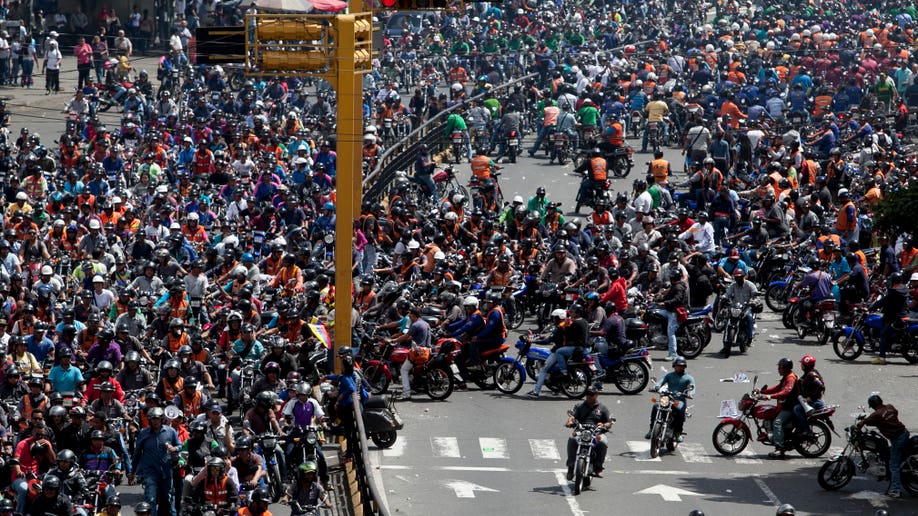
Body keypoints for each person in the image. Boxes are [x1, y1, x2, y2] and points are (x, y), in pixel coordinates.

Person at [130, 406, 181, 516]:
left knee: (168, 499)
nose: (155, 421)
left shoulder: (170, 432)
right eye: (153, 419)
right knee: (151, 499)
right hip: (150, 472)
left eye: (157, 419)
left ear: (162, 419)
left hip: (166, 471)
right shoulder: (143, 433)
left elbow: (179, 445)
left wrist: (174, 448)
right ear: (149, 420)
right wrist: (132, 472)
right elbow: (137, 454)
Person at [860, 394, 909, 498]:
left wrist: (859, 424)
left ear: (872, 405)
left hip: (898, 439)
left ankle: (896, 490)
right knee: (888, 453)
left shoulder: (876, 414)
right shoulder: (890, 407)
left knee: (893, 465)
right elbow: (894, 414)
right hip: (903, 433)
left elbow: (864, 422)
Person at [564, 385, 613, 480]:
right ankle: (571, 467)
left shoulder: (602, 408)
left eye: (591, 394)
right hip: (581, 432)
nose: (589, 396)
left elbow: (609, 422)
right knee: (572, 439)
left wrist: (604, 425)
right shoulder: (579, 406)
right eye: (587, 394)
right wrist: (570, 422)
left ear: (596, 395)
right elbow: (572, 416)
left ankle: (598, 468)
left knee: (602, 442)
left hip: (596, 434)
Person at [645, 357, 694, 442]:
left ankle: (678, 433)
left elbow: (692, 387)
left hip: (678, 401)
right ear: (674, 366)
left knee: (679, 410)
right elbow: (661, 382)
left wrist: (690, 393)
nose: (679, 367)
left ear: (684, 367)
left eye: (681, 366)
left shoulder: (688, 378)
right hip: (667, 398)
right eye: (677, 366)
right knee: (656, 405)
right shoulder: (669, 375)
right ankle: (651, 429)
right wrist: (655, 387)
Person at [527, 309, 575, 397]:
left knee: (543, 369)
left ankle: (536, 392)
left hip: (559, 350)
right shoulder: (566, 324)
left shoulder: (559, 327)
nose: (553, 319)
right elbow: (553, 337)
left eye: (554, 317)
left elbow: (548, 340)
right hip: (566, 349)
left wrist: (534, 341)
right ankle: (558, 387)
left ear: (559, 318)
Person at [759, 358, 799, 458]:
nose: (778, 369)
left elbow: (785, 392)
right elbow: (777, 388)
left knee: (777, 423)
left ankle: (780, 448)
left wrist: (770, 396)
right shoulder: (786, 377)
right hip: (785, 406)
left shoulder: (790, 378)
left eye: (780, 367)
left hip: (790, 407)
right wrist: (762, 391)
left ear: (785, 368)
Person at [390, 306, 430, 401]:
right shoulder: (426, 323)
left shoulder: (415, 325)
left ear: (415, 316)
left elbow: (405, 336)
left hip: (418, 352)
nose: (410, 319)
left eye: (411, 317)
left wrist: (393, 340)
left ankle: (406, 393)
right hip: (428, 350)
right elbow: (417, 336)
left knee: (403, 370)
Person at [719, 269, 758, 357]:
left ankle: (750, 338)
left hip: (746, 308)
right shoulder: (733, 285)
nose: (737, 279)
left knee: (749, 318)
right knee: (727, 322)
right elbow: (727, 294)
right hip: (735, 307)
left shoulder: (750, 285)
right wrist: (724, 297)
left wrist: (753, 302)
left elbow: (756, 296)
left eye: (739, 277)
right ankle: (725, 345)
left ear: (743, 276)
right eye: (736, 277)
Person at [656, 269, 687, 360]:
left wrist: (665, 303)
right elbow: (668, 296)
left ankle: (673, 354)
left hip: (674, 312)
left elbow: (676, 300)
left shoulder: (678, 287)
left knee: (671, 332)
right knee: (654, 313)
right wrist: (657, 299)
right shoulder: (674, 286)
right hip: (669, 310)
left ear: (673, 278)